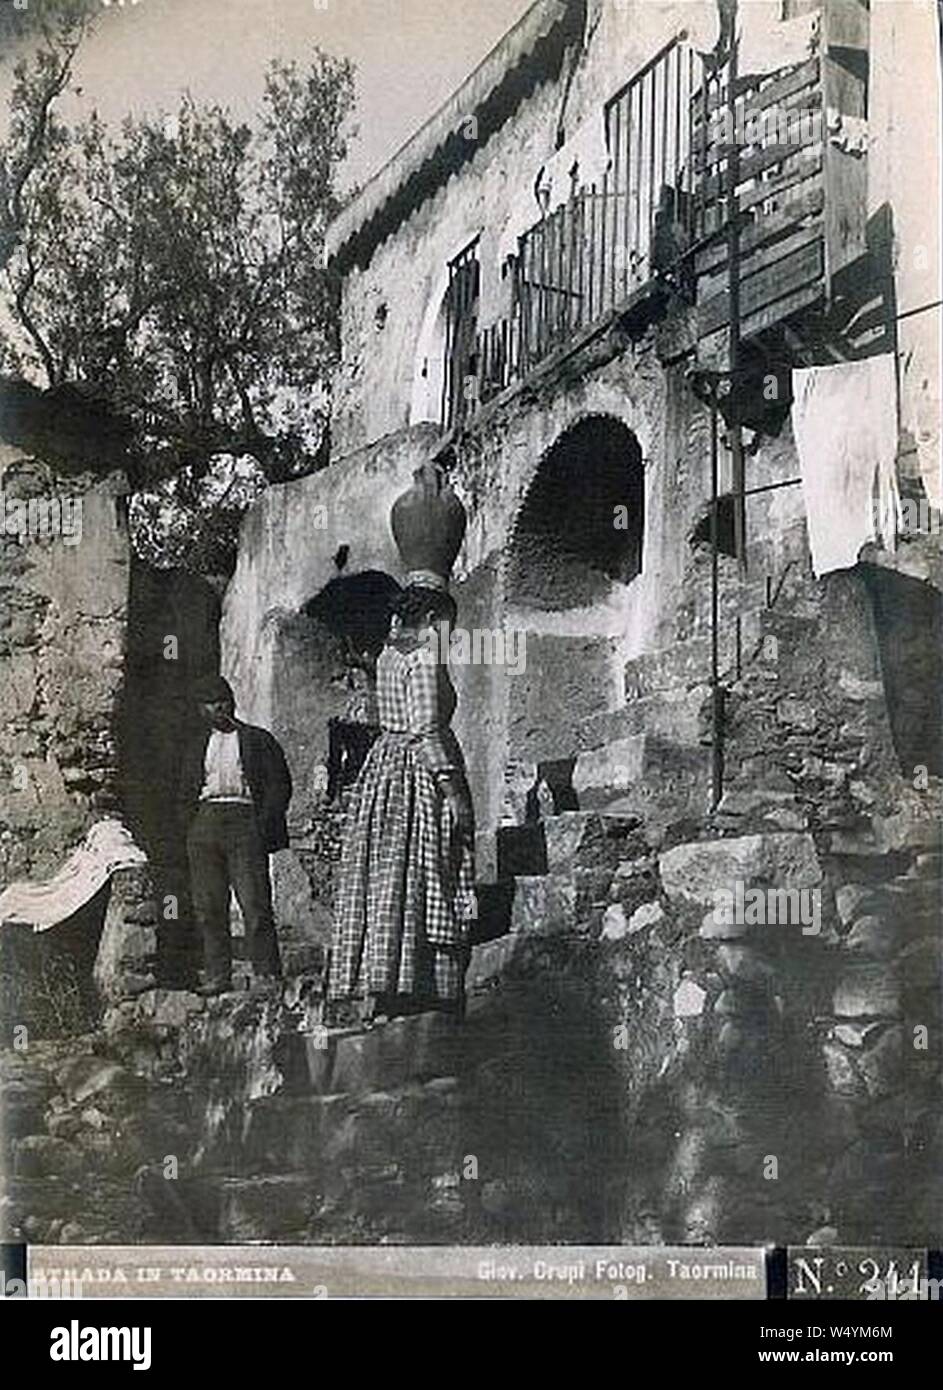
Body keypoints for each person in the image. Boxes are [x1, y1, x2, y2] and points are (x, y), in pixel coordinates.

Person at [328, 585, 476, 1024]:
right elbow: (426, 729)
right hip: (417, 770)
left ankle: (387, 984)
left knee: (389, 873)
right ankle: (426, 990)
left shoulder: (389, 655)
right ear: (431, 618)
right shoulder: (425, 658)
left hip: (384, 767)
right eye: (447, 625)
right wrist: (453, 793)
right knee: (427, 866)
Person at [179, 675, 292, 995]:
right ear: (202, 709)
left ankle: (267, 975)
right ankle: (218, 975)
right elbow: (183, 793)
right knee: (209, 906)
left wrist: (262, 823)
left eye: (224, 700)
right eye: (212, 703)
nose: (220, 708)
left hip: (245, 822)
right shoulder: (196, 745)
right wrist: (191, 827)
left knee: (254, 903)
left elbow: (279, 786)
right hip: (206, 823)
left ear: (233, 703)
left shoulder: (258, 740)